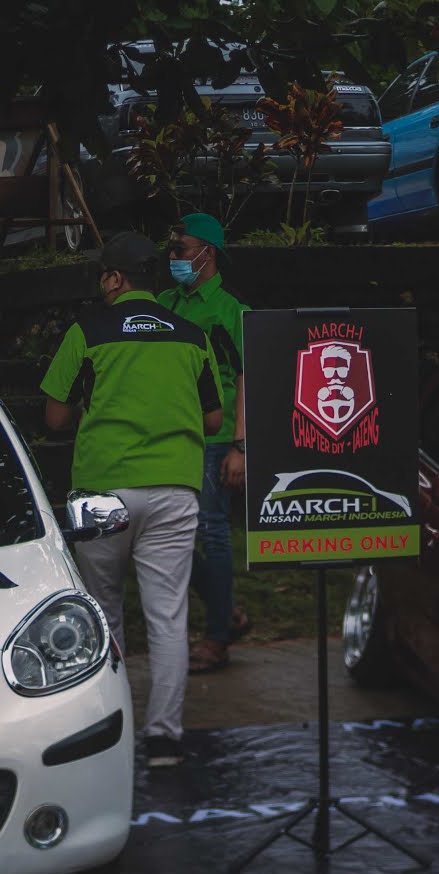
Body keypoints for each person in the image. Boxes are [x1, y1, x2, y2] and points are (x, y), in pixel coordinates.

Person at [42, 232, 223, 767]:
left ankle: (110, 731)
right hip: (174, 488)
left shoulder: (88, 330)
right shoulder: (191, 335)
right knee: (168, 617)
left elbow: (54, 416)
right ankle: (165, 737)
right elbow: (213, 418)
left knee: (102, 612)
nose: (101, 282)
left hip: (101, 489)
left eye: (104, 274)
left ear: (116, 279)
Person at [158, 212, 251, 675]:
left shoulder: (231, 311)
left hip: (215, 441)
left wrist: (241, 446)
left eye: (181, 249)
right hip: (172, 436)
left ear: (206, 253)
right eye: (171, 249)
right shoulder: (164, 303)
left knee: (212, 531)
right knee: (166, 535)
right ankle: (225, 611)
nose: (173, 256)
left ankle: (217, 636)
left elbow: (247, 377)